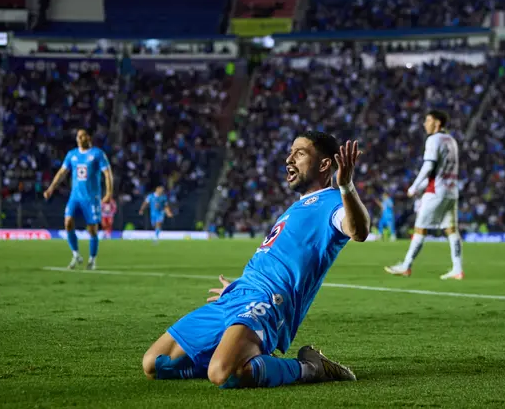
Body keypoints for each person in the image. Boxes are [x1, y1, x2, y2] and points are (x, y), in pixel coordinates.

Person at [142, 132, 371, 389]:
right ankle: (245, 355)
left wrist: (347, 186)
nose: (289, 159)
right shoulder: (294, 208)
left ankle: (311, 368)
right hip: (238, 294)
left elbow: (359, 231)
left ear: (324, 164)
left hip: (269, 301)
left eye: (300, 153)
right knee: (155, 363)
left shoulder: (334, 202)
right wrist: (241, 285)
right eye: (290, 151)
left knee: (223, 373)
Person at [385, 110, 464, 280]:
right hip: (452, 191)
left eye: (428, 120)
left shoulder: (433, 140)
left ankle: (406, 266)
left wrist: (414, 187)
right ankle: (457, 269)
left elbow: (429, 167)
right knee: (451, 230)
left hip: (436, 191)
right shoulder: (451, 140)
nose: (424, 124)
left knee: (420, 228)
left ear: (437, 123)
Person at [44, 129, 113, 270]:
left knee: (92, 230)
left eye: (82, 136)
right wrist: (51, 188)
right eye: (77, 136)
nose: (79, 138)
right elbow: (62, 172)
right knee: (68, 222)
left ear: (88, 137)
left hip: (91, 198)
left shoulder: (97, 154)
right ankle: (75, 254)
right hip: (75, 197)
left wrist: (109, 193)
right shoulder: (72, 155)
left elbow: (107, 173)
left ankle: (92, 259)